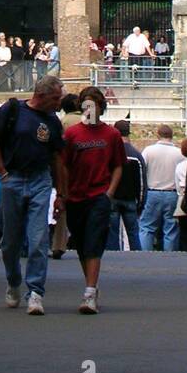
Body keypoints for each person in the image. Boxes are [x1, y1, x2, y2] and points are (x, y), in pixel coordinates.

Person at [0, 75, 66, 315]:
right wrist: (2, 171)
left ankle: (35, 292)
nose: (58, 103)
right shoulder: (12, 111)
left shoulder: (53, 121)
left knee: (38, 239)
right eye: (55, 98)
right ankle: (13, 282)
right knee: (10, 242)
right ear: (40, 96)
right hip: (13, 179)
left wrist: (61, 192)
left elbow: (58, 158)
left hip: (40, 180)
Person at [61, 86, 125, 314]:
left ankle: (89, 292)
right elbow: (64, 166)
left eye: (94, 106)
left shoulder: (111, 135)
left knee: (94, 243)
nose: (89, 109)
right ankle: (92, 285)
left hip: (99, 195)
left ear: (101, 108)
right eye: (85, 105)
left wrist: (110, 192)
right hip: (76, 196)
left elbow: (118, 165)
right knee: (81, 244)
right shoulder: (72, 134)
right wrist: (63, 193)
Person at [107, 118, 146, 251]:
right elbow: (141, 182)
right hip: (130, 199)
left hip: (112, 198)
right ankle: (137, 259)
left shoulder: (110, 153)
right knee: (133, 233)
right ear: (128, 133)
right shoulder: (136, 155)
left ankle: (114, 257)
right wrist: (141, 203)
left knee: (112, 233)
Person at [51, 94, 83, 259]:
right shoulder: (85, 120)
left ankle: (59, 245)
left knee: (62, 206)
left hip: (66, 169)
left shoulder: (63, 122)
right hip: (84, 169)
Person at [139, 124, 180, 251]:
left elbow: (142, 171)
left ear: (158, 135)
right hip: (172, 193)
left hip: (152, 192)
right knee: (171, 229)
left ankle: (144, 256)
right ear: (171, 136)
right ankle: (170, 257)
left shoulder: (148, 151)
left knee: (147, 227)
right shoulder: (179, 153)